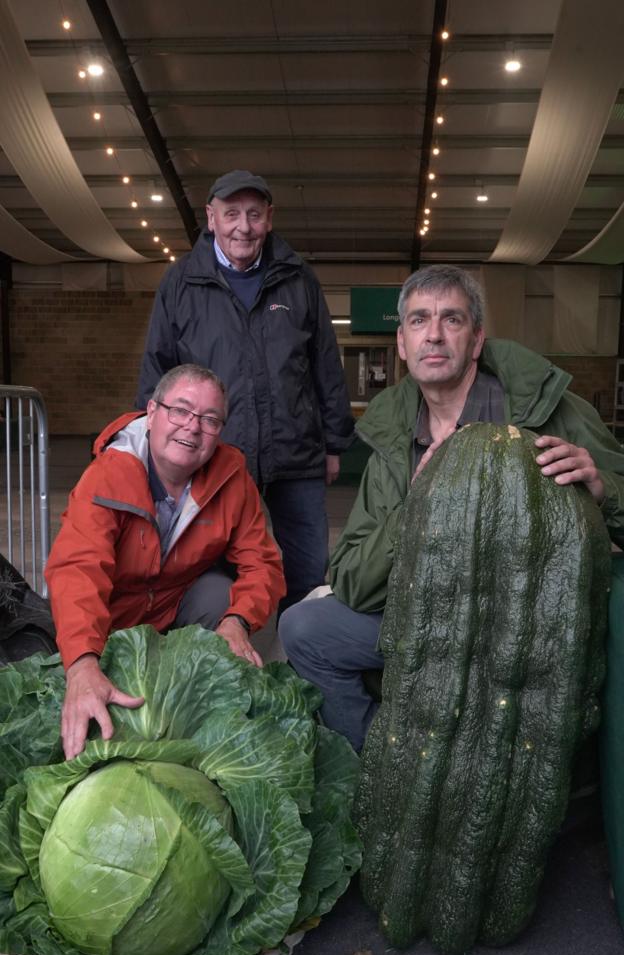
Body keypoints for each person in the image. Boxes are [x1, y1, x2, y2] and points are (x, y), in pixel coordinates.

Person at [279, 264, 624, 751]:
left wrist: (604, 490)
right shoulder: (393, 437)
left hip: (529, 631)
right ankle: (384, 759)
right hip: (430, 624)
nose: (434, 335)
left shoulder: (550, 410)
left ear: (476, 340)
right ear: (402, 344)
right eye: (419, 320)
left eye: (452, 319)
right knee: (304, 627)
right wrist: (413, 509)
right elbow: (352, 579)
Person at [136, 169, 354, 613]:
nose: (244, 227)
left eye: (254, 214)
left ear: (269, 218)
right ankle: (226, 644)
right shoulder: (181, 283)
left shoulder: (299, 279)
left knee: (308, 568)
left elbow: (325, 365)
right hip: (215, 456)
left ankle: (298, 649)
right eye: (232, 213)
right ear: (211, 217)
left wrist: (334, 443)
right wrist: (149, 444)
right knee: (211, 570)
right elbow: (158, 368)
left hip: (296, 454)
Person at [46, 364, 285, 760]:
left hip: (173, 607)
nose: (192, 427)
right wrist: (82, 664)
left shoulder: (231, 477)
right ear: (153, 412)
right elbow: (77, 569)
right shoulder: (108, 475)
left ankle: (199, 716)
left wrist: (238, 621)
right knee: (81, 692)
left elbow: (263, 562)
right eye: (181, 410)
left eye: (210, 419)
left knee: (219, 594)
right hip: (113, 621)